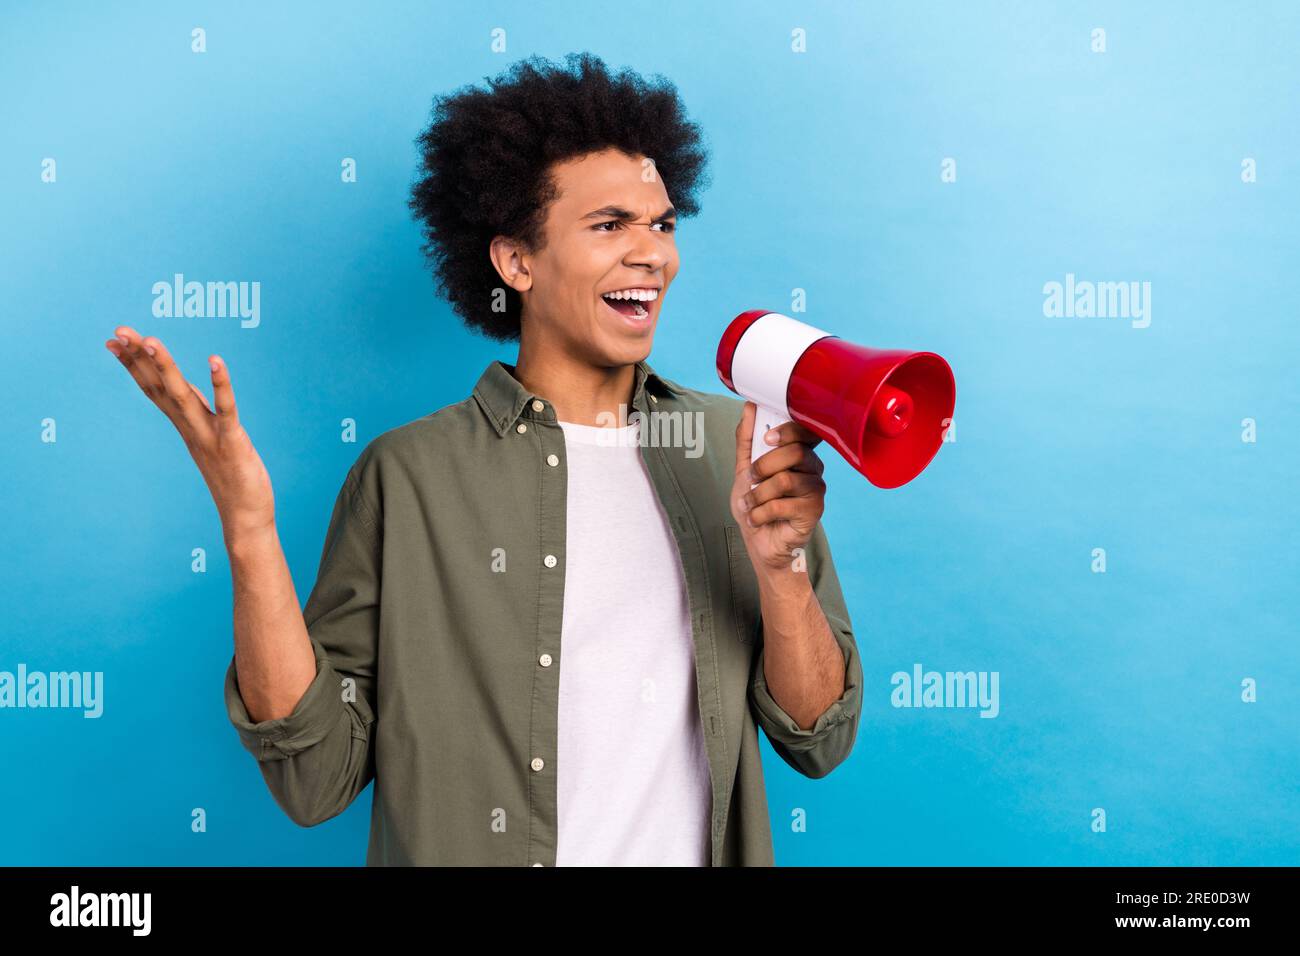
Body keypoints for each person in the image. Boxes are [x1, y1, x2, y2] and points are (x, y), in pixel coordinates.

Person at [104, 52, 862, 866]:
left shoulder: (739, 450)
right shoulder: (407, 478)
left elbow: (818, 739)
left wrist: (780, 572)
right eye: (610, 225)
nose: (654, 254)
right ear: (516, 262)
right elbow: (315, 777)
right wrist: (249, 534)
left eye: (663, 224)